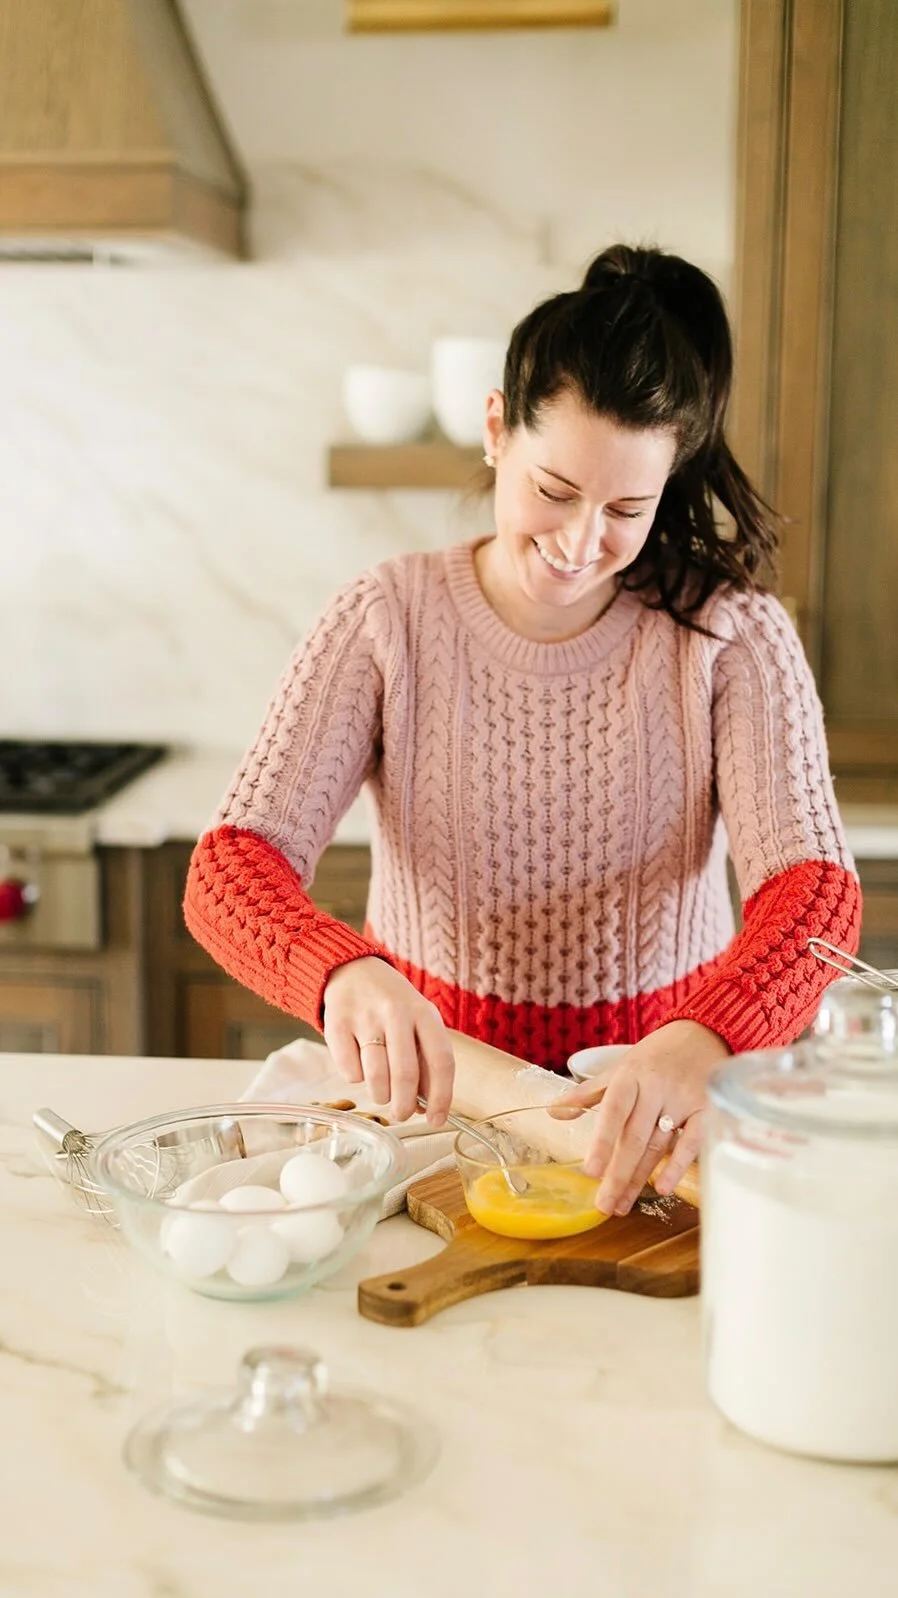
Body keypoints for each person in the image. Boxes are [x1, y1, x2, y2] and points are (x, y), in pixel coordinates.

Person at [184, 243, 861, 1218]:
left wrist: (705, 1032)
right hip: (425, 1113)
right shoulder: (388, 617)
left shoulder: (730, 634)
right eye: (554, 490)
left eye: (626, 508)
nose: (581, 542)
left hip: (656, 1115)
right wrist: (343, 973)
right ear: (497, 428)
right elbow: (230, 868)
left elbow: (816, 898)